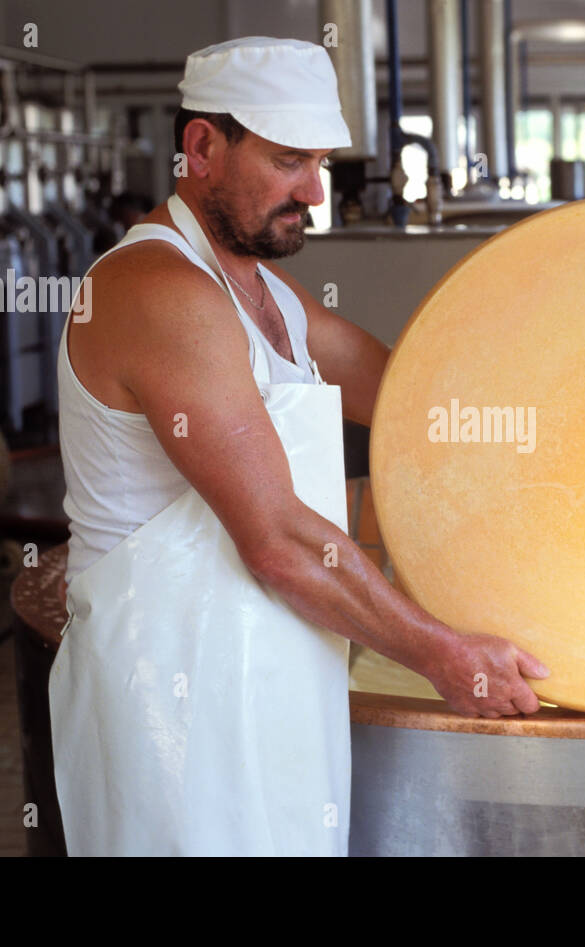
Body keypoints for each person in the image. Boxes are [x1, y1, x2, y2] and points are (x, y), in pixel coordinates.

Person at [46, 36, 548, 857]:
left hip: (278, 672)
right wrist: (443, 653)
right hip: (170, 705)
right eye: (287, 161)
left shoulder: (264, 290)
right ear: (203, 147)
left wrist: (555, 427)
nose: (313, 191)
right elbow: (277, 540)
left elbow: (409, 399)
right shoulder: (157, 290)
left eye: (319, 161)